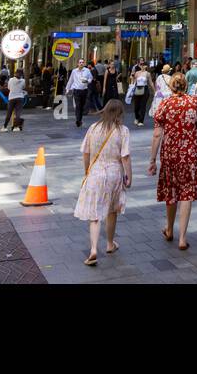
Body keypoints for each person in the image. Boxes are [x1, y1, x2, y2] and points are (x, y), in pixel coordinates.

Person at [149, 72, 197, 250]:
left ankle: (169, 229)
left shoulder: (165, 104)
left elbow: (157, 133)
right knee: (186, 194)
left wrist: (152, 160)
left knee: (171, 191)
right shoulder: (194, 102)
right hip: (191, 154)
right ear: (185, 85)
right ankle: (182, 238)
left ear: (171, 86)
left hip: (170, 154)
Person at [74, 98, 132, 267]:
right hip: (114, 174)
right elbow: (125, 156)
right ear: (120, 114)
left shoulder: (93, 128)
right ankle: (109, 244)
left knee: (95, 214)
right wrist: (129, 176)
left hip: (95, 173)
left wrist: (87, 170)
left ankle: (93, 249)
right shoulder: (123, 131)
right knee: (112, 211)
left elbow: (85, 152)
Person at [66, 58, 94, 127]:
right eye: (80, 62)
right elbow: (71, 80)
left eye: (82, 62)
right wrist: (67, 89)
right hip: (76, 90)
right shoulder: (74, 71)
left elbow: (91, 78)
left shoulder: (87, 71)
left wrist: (87, 81)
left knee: (82, 106)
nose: (81, 63)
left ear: (84, 63)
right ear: (78, 64)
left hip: (84, 90)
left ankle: (80, 119)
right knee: (78, 106)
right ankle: (78, 120)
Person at [130, 62, 152, 127]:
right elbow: (133, 81)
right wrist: (132, 78)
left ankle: (141, 120)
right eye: (141, 64)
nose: (142, 66)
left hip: (145, 89)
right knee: (136, 106)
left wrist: (154, 91)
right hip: (137, 89)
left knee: (143, 105)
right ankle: (137, 117)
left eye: (143, 65)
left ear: (146, 66)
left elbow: (150, 83)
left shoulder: (148, 74)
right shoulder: (137, 73)